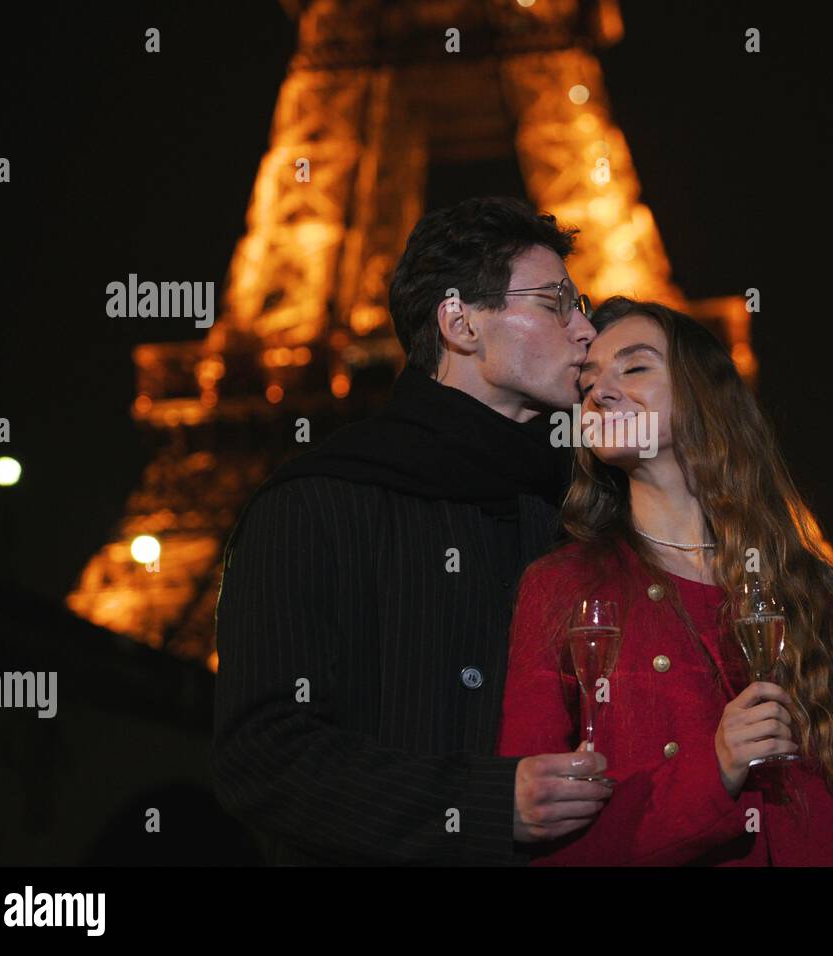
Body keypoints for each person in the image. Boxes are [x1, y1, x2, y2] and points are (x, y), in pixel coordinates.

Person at [211, 196, 614, 864]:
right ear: (460, 323)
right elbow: (261, 755)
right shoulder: (312, 506)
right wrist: (483, 805)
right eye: (556, 303)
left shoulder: (575, 511)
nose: (585, 330)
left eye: (583, 305)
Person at [497, 296, 833, 865]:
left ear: (704, 394)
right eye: (587, 382)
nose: (600, 392)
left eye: (634, 367)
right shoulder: (561, 589)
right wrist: (714, 769)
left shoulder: (829, 599)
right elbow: (538, 830)